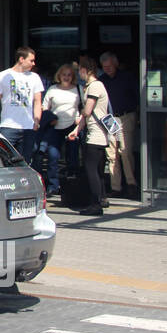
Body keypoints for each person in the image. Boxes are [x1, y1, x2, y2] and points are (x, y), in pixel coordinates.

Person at [68, 56, 111, 216]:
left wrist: (80, 116)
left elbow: (87, 111)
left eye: (80, 70)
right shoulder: (96, 85)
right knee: (97, 170)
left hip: (96, 135)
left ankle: (95, 204)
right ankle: (102, 198)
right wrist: (77, 130)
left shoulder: (94, 86)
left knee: (91, 169)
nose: (79, 74)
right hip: (98, 134)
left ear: (86, 70)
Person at [0, 46, 43, 164]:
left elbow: (38, 101)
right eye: (31, 60)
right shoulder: (3, 75)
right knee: (5, 159)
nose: (33, 63)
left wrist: (37, 121)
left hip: (28, 126)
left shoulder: (35, 77)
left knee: (25, 161)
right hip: (8, 125)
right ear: (21, 59)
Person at [99, 51, 139, 199]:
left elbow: (136, 96)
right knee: (112, 154)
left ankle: (131, 184)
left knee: (125, 151)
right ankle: (116, 187)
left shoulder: (127, 77)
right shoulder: (101, 80)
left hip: (125, 116)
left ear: (115, 64)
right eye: (104, 67)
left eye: (109, 66)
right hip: (109, 118)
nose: (107, 69)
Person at [39, 63, 82, 197]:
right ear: (59, 75)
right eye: (64, 74)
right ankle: (53, 186)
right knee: (53, 157)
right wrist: (49, 118)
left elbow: (85, 107)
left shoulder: (78, 89)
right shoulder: (52, 89)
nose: (66, 77)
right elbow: (44, 107)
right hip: (55, 127)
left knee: (72, 157)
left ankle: (71, 184)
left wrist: (80, 119)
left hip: (72, 127)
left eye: (69, 75)